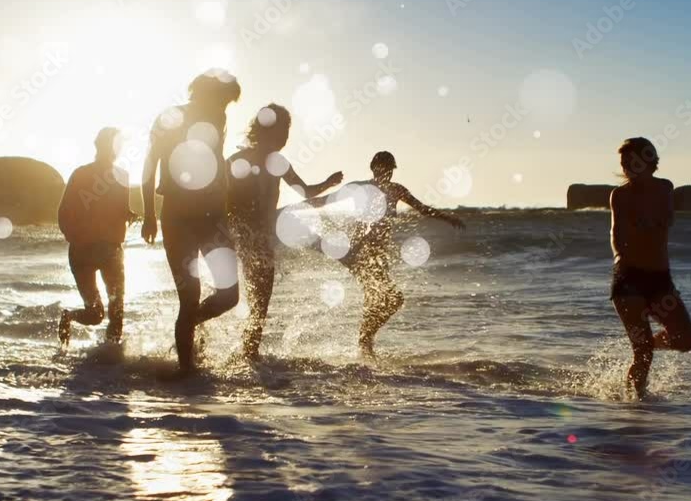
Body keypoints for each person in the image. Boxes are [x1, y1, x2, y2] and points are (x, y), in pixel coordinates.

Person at [308, 151, 464, 358]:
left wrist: (447, 218)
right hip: (361, 253)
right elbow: (326, 201)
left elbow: (423, 209)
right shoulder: (360, 188)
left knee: (379, 299)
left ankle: (365, 347)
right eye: (383, 168)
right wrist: (292, 208)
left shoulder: (396, 190)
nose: (387, 173)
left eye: (390, 170)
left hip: (378, 256)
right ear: (373, 168)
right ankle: (365, 343)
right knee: (393, 299)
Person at [140, 70, 242, 374]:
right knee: (190, 296)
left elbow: (218, 166)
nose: (223, 108)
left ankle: (189, 325)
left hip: (213, 218)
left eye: (226, 103)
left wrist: (228, 212)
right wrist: (148, 214)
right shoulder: (168, 119)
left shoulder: (219, 119)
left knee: (230, 295)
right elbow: (149, 166)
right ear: (201, 92)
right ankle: (187, 374)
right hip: (177, 217)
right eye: (221, 100)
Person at [227, 103, 343, 360]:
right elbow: (221, 198)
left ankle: (249, 353)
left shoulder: (278, 162)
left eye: (287, 130)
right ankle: (205, 338)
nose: (286, 136)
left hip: (263, 239)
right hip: (240, 235)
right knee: (232, 298)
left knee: (260, 303)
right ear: (267, 130)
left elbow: (305, 192)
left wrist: (328, 183)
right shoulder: (239, 160)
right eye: (283, 130)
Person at [609, 137, 691, 399]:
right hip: (628, 280)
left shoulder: (664, 188)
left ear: (649, 161)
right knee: (642, 353)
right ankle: (635, 407)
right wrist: (626, 247)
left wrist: (651, 223)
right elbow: (616, 235)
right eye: (624, 163)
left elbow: (666, 218)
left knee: (685, 339)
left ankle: (647, 343)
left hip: (659, 280)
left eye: (633, 161)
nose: (627, 167)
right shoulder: (619, 195)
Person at [57, 127, 137, 347]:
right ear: (100, 146)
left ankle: (111, 364)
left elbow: (121, 208)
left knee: (114, 312)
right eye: (114, 145)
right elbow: (63, 213)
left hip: (111, 250)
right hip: (82, 251)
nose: (116, 150)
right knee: (96, 314)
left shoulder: (123, 176)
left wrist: (129, 214)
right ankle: (69, 317)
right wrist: (76, 236)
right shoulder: (81, 174)